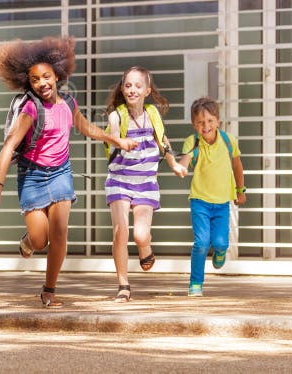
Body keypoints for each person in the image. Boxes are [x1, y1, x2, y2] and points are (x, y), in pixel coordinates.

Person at [0, 36, 137, 308]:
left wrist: (117, 141)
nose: (42, 83)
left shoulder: (68, 104)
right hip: (32, 176)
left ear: (57, 75)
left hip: (60, 174)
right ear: (29, 82)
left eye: (46, 77)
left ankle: (49, 290)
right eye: (35, 80)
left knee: (59, 234)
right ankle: (29, 241)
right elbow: (10, 145)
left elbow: (87, 128)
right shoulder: (31, 108)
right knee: (39, 239)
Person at [104, 66, 187, 303]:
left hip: (146, 182)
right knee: (121, 232)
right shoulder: (116, 116)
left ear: (147, 90)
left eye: (138, 86)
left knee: (140, 235)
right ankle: (123, 285)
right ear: (123, 88)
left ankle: (145, 248)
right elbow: (108, 139)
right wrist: (121, 142)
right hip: (119, 180)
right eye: (128, 85)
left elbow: (162, 140)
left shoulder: (152, 114)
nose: (132, 90)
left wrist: (173, 164)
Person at [176, 96, 246, 297]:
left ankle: (220, 252)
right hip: (200, 202)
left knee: (221, 243)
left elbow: (237, 167)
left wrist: (240, 191)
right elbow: (185, 159)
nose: (205, 126)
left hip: (222, 203)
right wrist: (180, 167)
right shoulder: (193, 141)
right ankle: (196, 283)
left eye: (209, 121)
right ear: (194, 124)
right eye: (200, 122)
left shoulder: (228, 141)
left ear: (217, 121)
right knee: (201, 242)